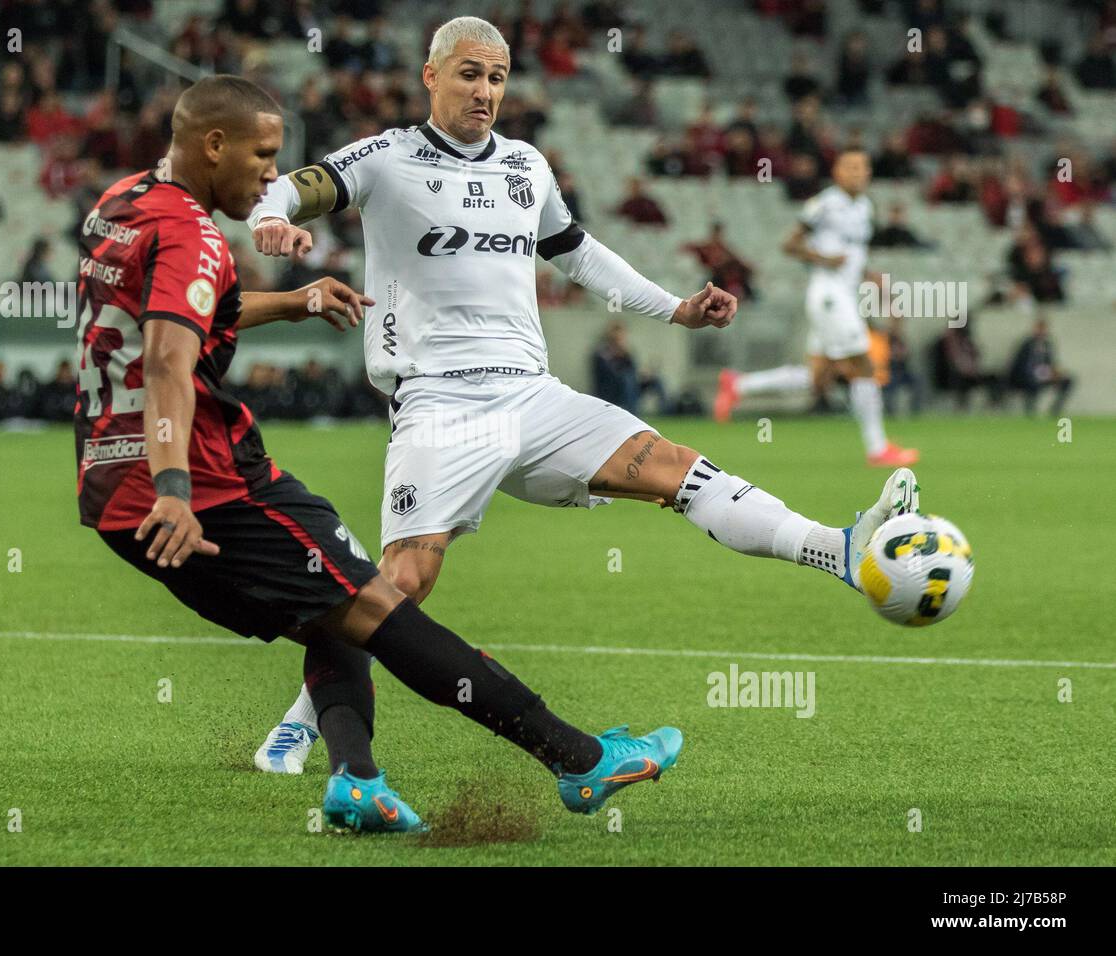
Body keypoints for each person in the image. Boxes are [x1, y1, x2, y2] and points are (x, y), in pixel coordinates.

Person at [248, 18, 920, 774]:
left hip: (534, 396)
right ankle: (301, 727)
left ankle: (840, 548)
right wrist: (271, 217)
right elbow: (293, 185)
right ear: (430, 74)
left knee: (677, 468)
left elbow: (580, 256)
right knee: (400, 584)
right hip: (438, 404)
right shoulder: (387, 157)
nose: (485, 91)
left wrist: (675, 307)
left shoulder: (525, 167)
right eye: (469, 74)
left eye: (497, 78)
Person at [76, 74, 684, 832]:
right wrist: (174, 484)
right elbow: (168, 361)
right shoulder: (193, 236)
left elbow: (185, 315)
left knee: (337, 608)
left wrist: (294, 301)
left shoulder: (122, 204)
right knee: (375, 605)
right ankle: (579, 758)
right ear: (213, 144)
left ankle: (356, 781)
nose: (272, 175)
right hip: (203, 486)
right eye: (263, 156)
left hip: (112, 490)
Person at [714, 150, 919, 467]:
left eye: (863, 167)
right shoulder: (824, 204)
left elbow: (852, 254)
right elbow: (790, 244)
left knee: (817, 379)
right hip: (828, 294)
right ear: (836, 172)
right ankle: (877, 448)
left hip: (845, 293)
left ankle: (738, 385)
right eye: (850, 167)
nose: (858, 173)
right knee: (863, 364)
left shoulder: (864, 207)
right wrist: (825, 260)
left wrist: (870, 276)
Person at [1008, 319, 1072, 416]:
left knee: (1067, 381)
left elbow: (1050, 362)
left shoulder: (1047, 345)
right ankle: (1030, 411)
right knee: (1033, 381)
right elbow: (1020, 364)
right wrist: (1035, 373)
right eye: (1039, 328)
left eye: (1044, 329)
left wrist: (1055, 373)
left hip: (1044, 375)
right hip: (1026, 377)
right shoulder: (1027, 344)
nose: (1042, 331)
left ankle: (1055, 410)